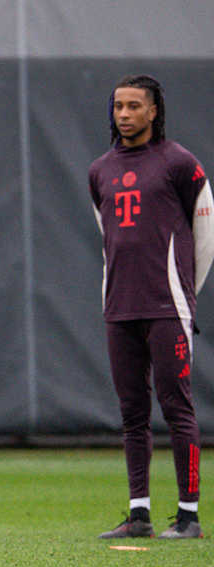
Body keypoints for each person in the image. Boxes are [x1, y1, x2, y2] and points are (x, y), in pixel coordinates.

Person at [89, 75, 212, 539]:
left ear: (154, 110)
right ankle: (138, 514)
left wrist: (185, 295)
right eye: (118, 105)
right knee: (132, 413)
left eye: (134, 106)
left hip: (168, 306)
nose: (124, 114)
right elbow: (108, 240)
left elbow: (205, 235)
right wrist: (112, 291)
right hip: (120, 307)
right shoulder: (99, 170)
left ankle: (188, 516)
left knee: (177, 408)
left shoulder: (179, 163)